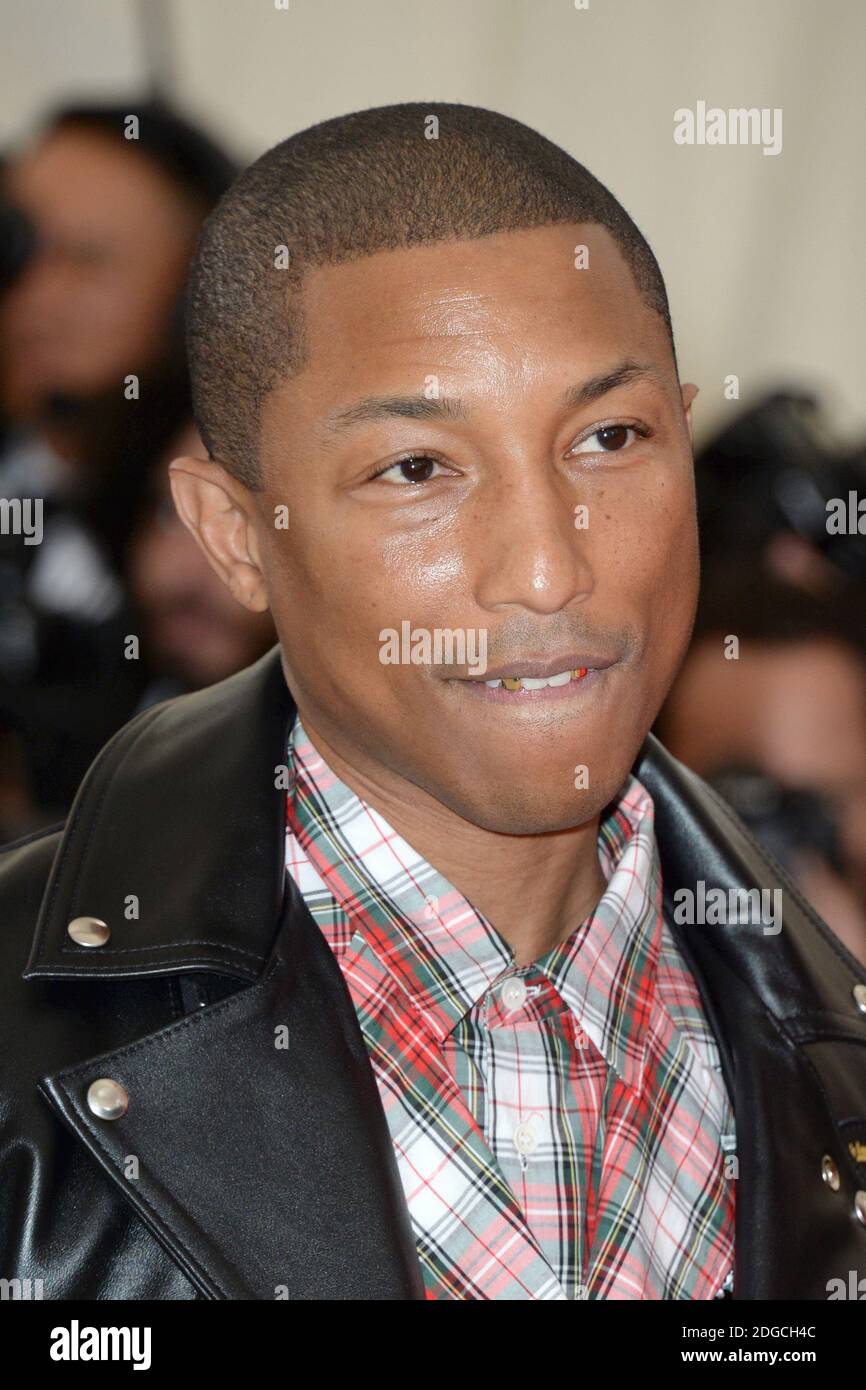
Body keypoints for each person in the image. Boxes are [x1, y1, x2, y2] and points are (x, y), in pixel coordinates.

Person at [1, 101, 864, 1302]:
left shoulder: (825, 1033)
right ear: (236, 535)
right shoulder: (25, 1053)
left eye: (609, 436)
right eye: (416, 468)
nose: (548, 566)